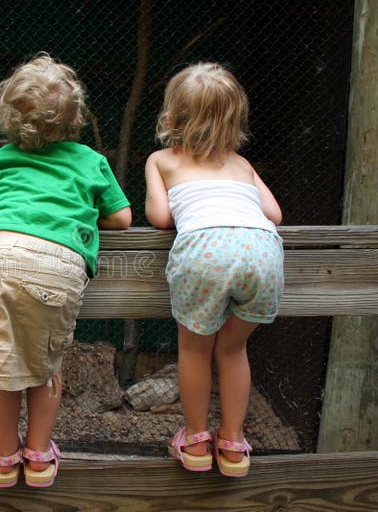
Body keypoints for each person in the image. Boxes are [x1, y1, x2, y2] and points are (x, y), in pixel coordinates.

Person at [0, 53, 132, 488]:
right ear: (75, 117)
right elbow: (123, 219)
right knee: (47, 362)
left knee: (1, 365)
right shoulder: (90, 161)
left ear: (9, 116)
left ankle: (3, 456)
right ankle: (37, 456)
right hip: (56, 266)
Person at [144, 62, 283, 478]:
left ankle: (197, 438)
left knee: (195, 349)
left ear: (171, 117)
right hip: (262, 255)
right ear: (234, 119)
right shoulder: (242, 165)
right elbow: (273, 213)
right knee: (233, 348)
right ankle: (233, 443)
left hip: (204, 253)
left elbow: (159, 218)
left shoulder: (163, 160)